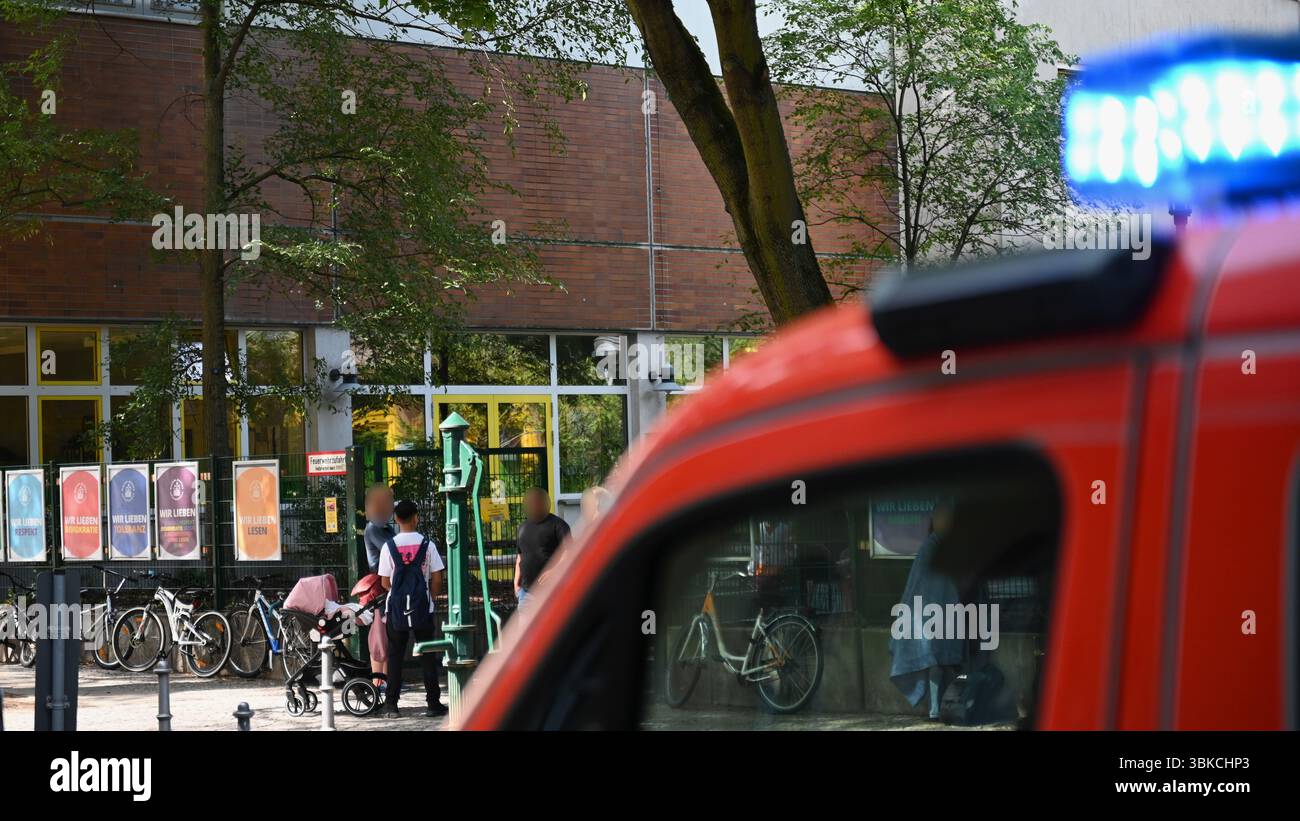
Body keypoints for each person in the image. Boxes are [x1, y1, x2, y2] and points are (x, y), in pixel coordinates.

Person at [888, 497, 965, 720]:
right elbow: (918, 584)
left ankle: (947, 707)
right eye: (941, 517)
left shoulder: (948, 546)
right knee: (934, 660)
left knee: (946, 661)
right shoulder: (930, 547)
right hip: (929, 613)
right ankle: (935, 709)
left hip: (948, 612)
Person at [379, 499, 447, 717]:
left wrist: (399, 593)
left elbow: (384, 582)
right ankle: (433, 704)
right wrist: (430, 597)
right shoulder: (428, 545)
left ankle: (391, 705)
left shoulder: (388, 547)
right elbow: (437, 578)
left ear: (396, 519)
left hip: (396, 609)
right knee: (427, 654)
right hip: (422, 607)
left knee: (395, 655)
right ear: (416, 517)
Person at [361, 484, 395, 690]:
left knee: (388, 631)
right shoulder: (373, 528)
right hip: (379, 584)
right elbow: (391, 549)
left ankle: (386, 678)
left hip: (389, 581)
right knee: (379, 633)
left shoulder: (385, 528)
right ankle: (377, 679)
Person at [513, 487, 570, 608]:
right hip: (526, 593)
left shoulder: (559, 525)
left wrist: (554, 571)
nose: (534, 504)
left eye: (537, 501)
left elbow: (569, 552)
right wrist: (516, 582)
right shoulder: (522, 527)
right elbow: (520, 555)